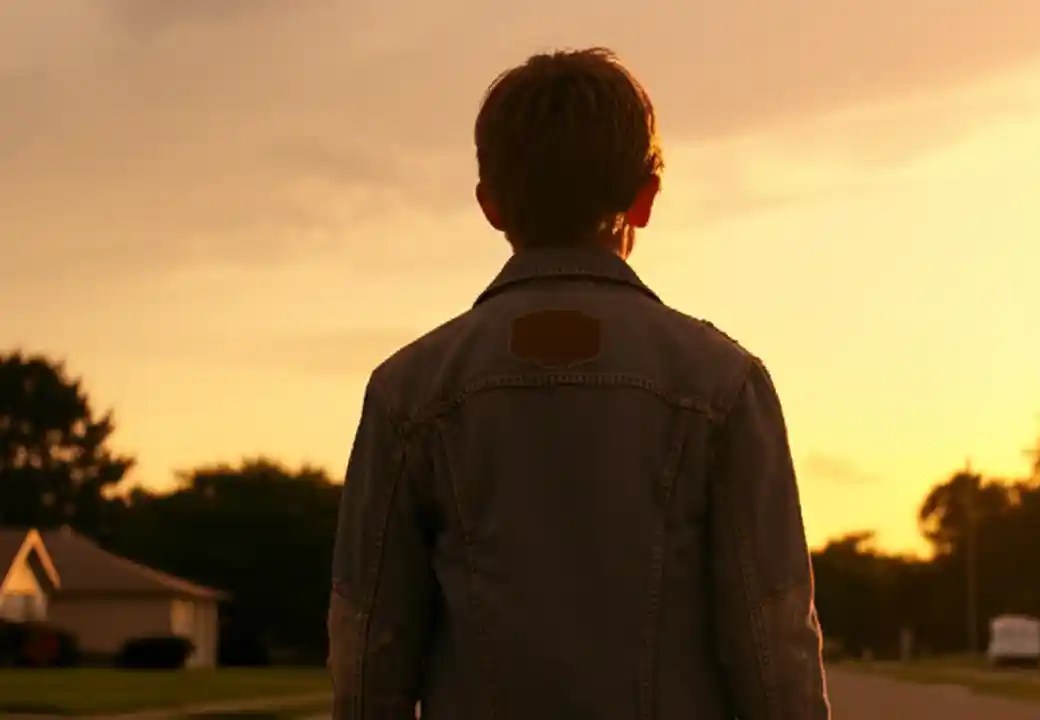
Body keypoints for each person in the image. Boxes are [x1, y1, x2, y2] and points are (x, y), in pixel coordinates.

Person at [328, 47, 830, 719]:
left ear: (490, 204)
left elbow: (368, 650)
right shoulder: (724, 385)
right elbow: (775, 647)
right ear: (645, 198)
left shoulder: (408, 393)